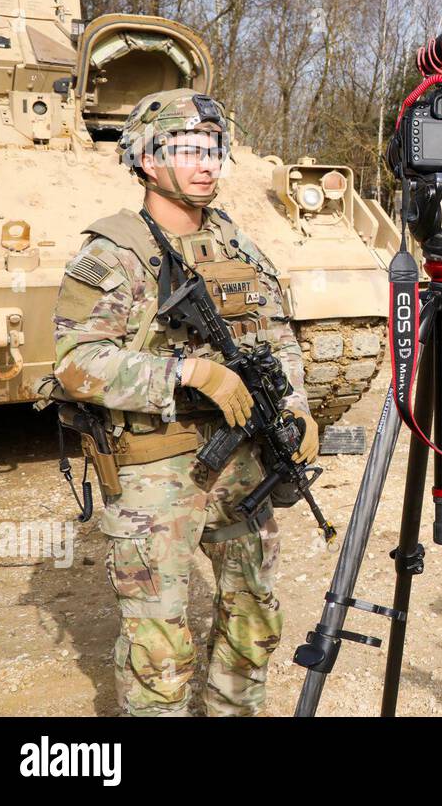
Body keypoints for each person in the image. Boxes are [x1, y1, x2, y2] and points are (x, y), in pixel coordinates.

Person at [49, 89, 318, 716]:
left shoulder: (238, 244)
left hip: (245, 461)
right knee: (160, 645)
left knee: (253, 615)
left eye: (215, 150)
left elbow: (278, 336)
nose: (208, 164)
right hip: (154, 468)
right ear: (145, 159)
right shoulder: (114, 251)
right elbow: (75, 364)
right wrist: (187, 371)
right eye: (189, 150)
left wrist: (299, 407)